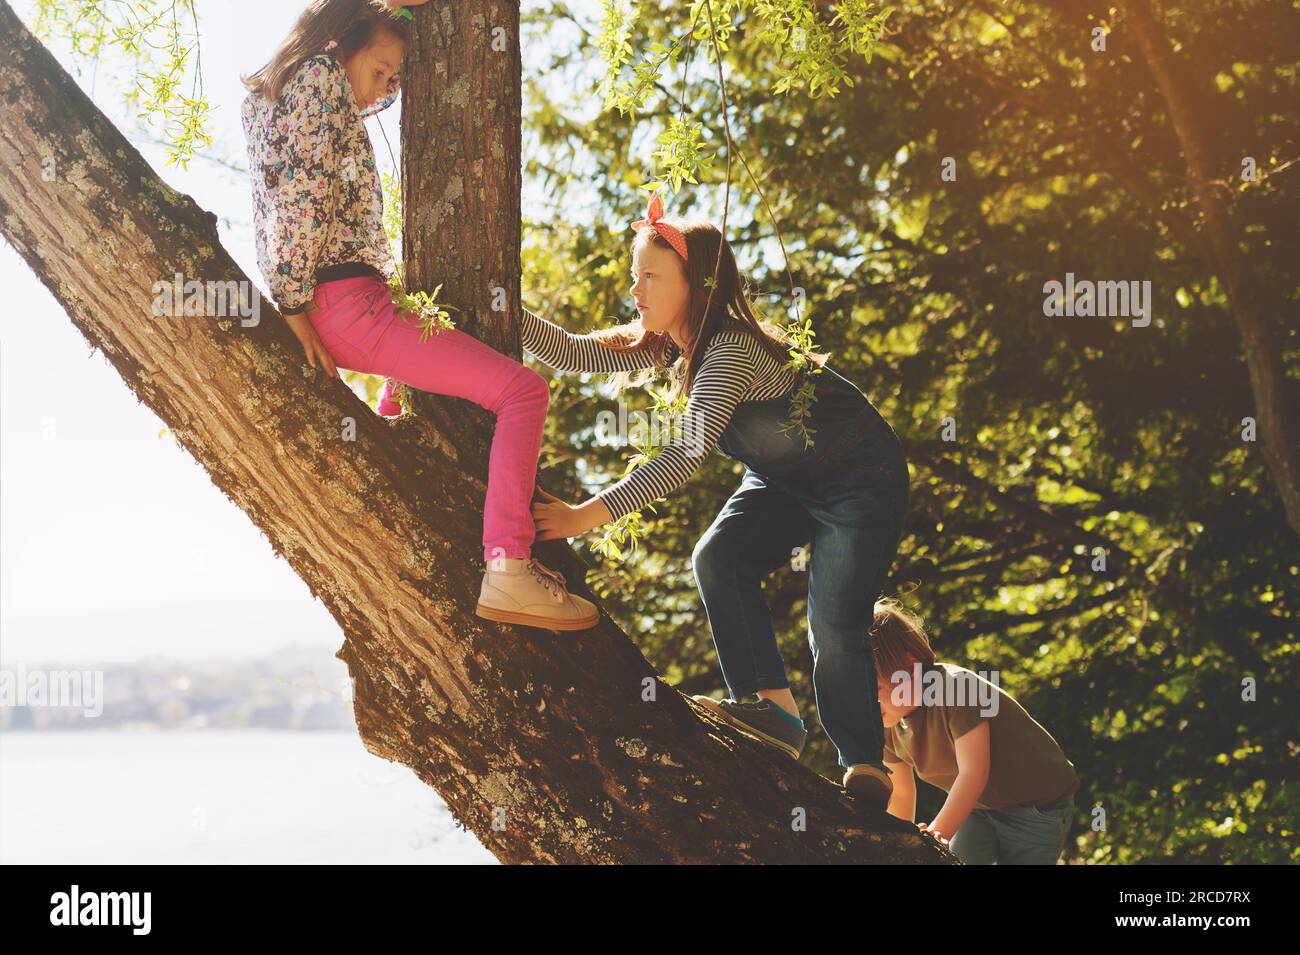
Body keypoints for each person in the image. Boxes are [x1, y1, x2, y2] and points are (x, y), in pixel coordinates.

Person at [525, 192, 910, 805]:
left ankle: (864, 763)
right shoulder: (671, 341)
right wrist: (495, 305)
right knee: (719, 557)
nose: (636, 290)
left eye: (650, 276)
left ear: (693, 282)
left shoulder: (727, 350)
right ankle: (773, 713)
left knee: (833, 618)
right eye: (634, 277)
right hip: (785, 480)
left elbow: (684, 456)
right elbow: (577, 351)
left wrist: (582, 517)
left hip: (859, 478)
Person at [239, 0, 597, 630]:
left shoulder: (281, 93)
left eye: (394, 81)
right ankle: (509, 569)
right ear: (340, 40)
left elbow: (286, 200)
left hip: (348, 300)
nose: (384, 90)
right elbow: (298, 208)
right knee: (522, 391)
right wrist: (292, 306)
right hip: (344, 303)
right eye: (381, 71)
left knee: (408, 394)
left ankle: (409, 462)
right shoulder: (321, 79)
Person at [872, 599, 1080, 863]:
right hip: (978, 807)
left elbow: (974, 773)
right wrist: (896, 848)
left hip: (1038, 807)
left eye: (876, 689)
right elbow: (902, 795)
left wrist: (936, 835)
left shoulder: (957, 690)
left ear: (910, 666)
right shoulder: (887, 722)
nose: (868, 701)